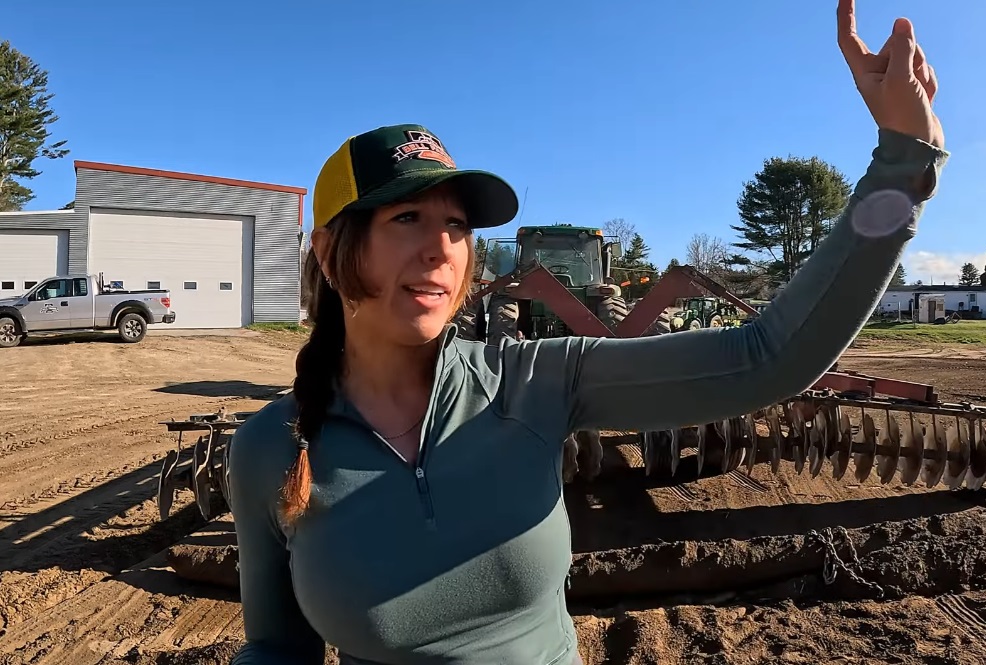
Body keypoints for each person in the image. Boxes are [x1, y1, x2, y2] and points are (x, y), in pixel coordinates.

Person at [227, 2, 946, 663]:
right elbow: (276, 648)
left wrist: (901, 161)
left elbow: (769, 357)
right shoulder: (272, 448)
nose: (440, 248)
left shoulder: (535, 382)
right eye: (405, 219)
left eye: (455, 225)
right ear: (329, 250)